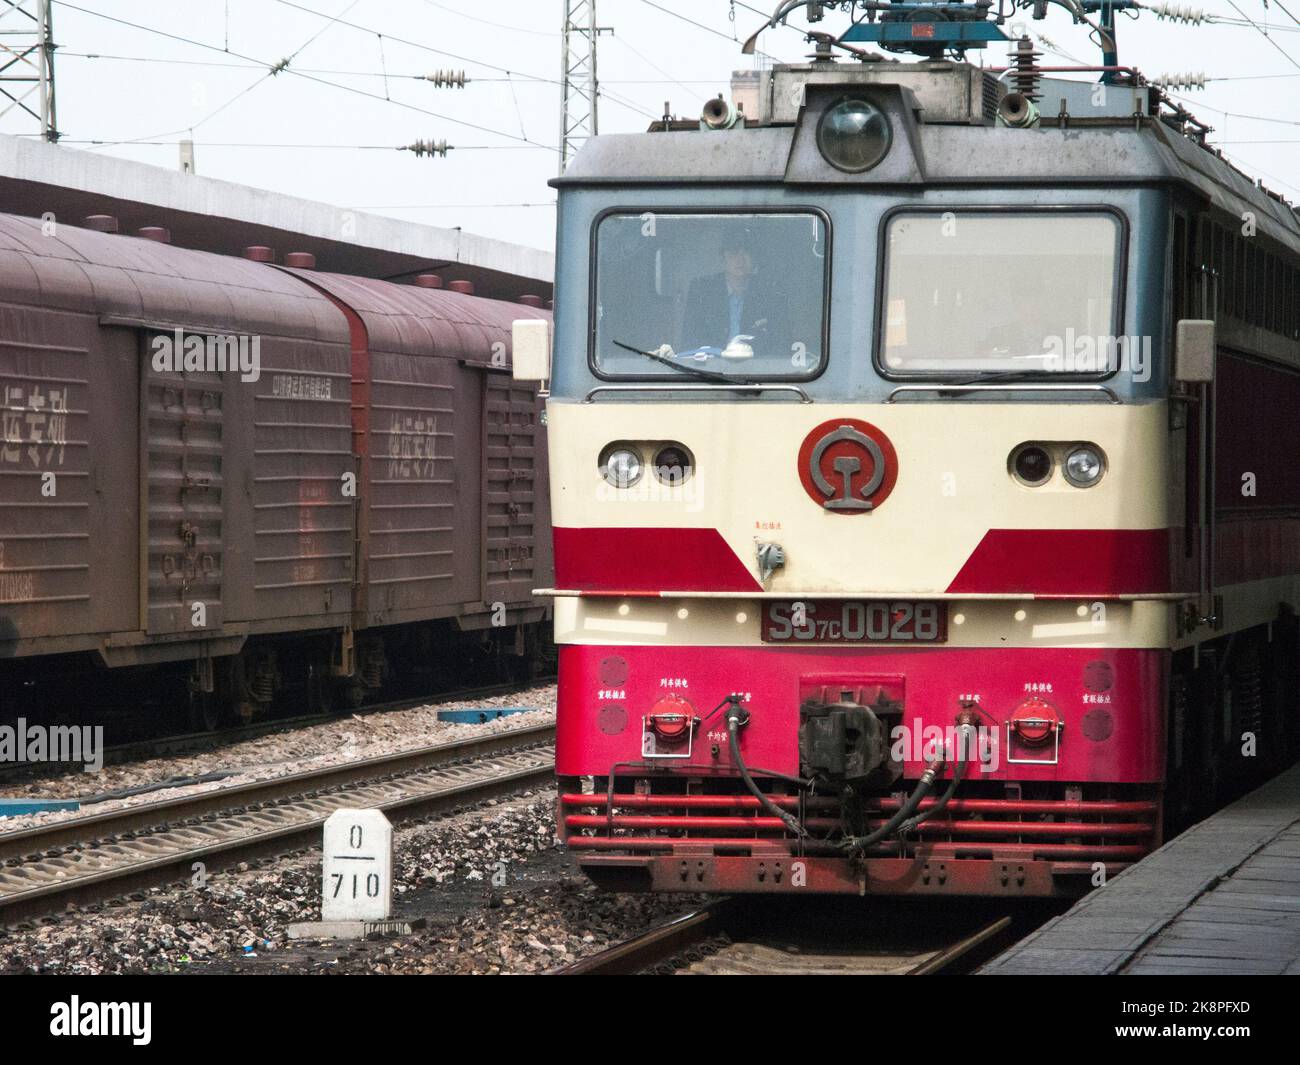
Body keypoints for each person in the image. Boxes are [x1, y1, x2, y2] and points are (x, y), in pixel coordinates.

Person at [679, 235, 790, 361]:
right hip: (709, 372)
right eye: (733, 252)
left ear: (755, 258)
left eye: (746, 252)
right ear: (723, 257)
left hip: (758, 373)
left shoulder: (772, 293)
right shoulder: (701, 290)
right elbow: (689, 342)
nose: (740, 259)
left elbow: (781, 347)